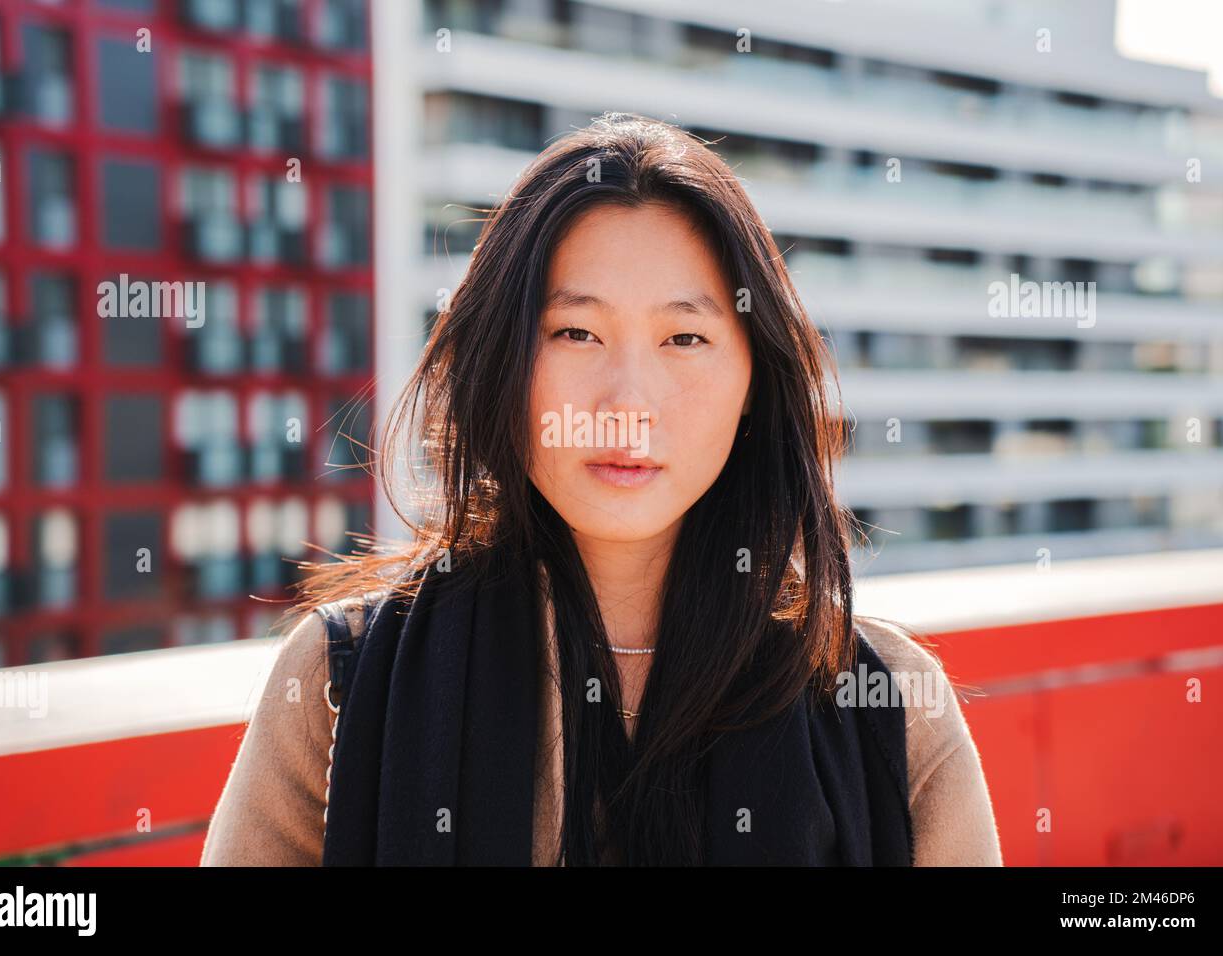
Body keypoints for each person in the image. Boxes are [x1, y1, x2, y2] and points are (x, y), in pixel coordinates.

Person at [201, 112, 1002, 867]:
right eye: (576, 333)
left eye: (685, 337)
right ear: (503, 362)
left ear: (755, 378)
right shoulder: (345, 681)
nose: (627, 404)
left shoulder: (886, 705)